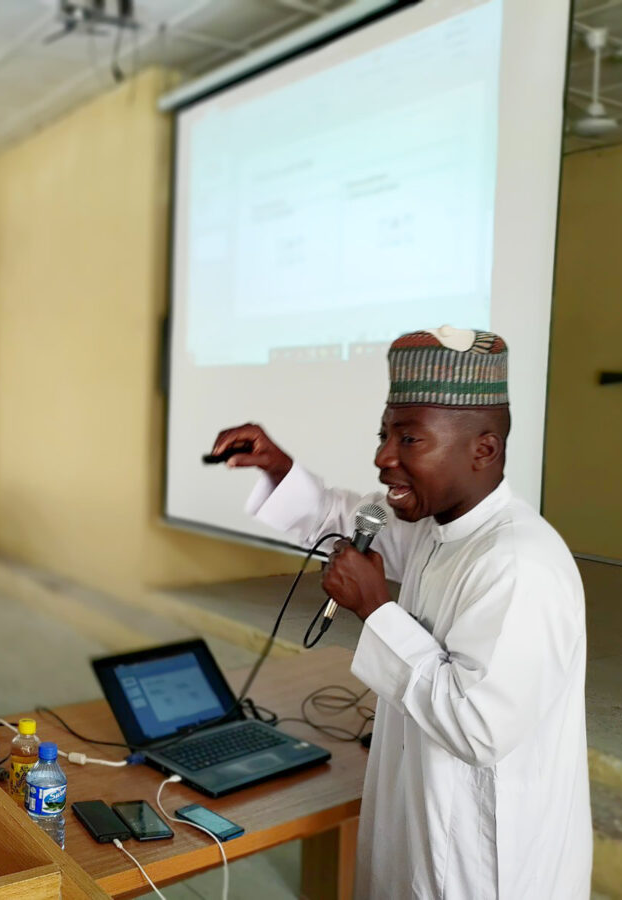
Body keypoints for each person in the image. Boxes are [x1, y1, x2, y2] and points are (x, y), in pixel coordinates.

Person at [211, 327, 591, 899]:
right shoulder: (438, 530)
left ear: (482, 449)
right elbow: (344, 515)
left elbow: (479, 727)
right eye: (385, 434)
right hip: (421, 834)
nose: (382, 457)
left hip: (485, 869)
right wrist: (278, 465)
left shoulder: (517, 565)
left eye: (409, 439)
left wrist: (377, 609)